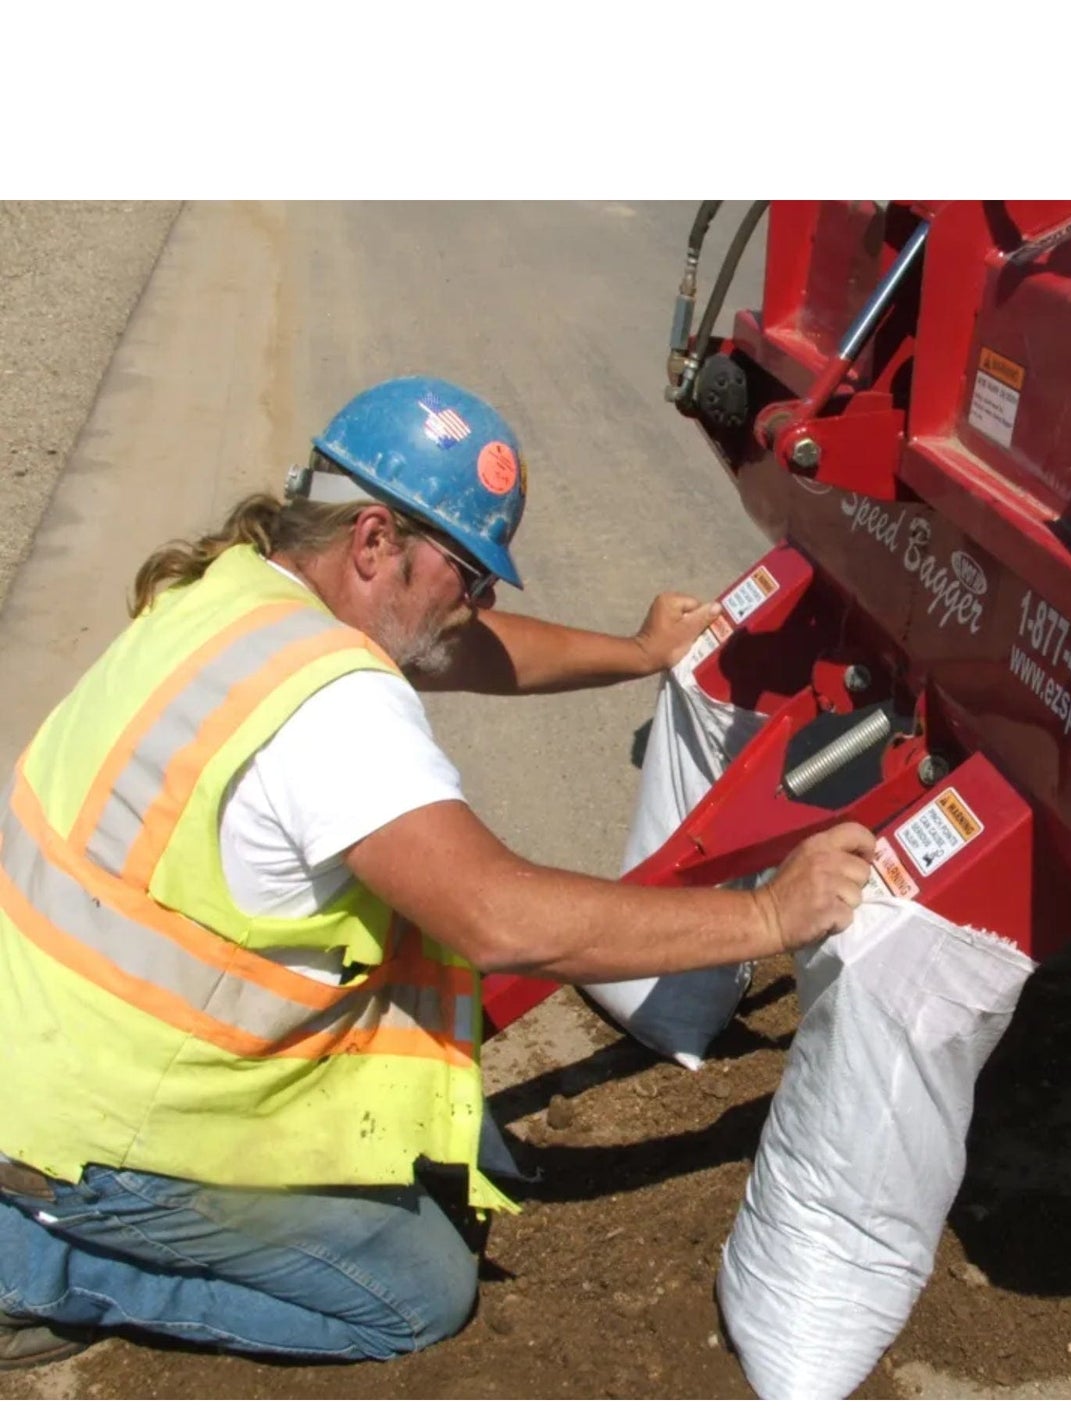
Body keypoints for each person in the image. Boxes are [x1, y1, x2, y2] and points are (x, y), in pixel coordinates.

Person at [0, 375, 874, 1372]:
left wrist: (638, 652)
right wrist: (769, 916)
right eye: (469, 573)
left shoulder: (238, 590)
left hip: (48, 1044)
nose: (481, 602)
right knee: (418, 1286)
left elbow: (462, 649)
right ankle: (32, 1268)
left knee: (431, 1167)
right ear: (374, 542)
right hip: (100, 1134)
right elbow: (499, 917)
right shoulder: (333, 712)